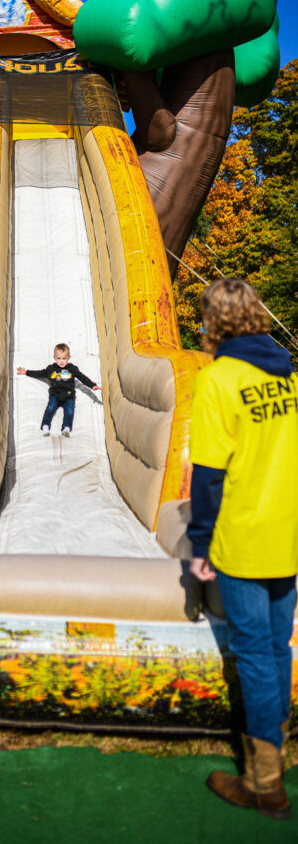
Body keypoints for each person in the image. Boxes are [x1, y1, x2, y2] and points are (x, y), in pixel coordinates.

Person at [187, 279, 298, 821]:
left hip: (245, 535)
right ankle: (278, 748)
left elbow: (207, 476)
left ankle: (264, 783)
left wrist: (200, 543)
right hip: (289, 533)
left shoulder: (218, 381)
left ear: (215, 321)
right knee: (279, 646)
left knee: (253, 652)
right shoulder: (290, 375)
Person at [17, 342, 101, 436]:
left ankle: (66, 428)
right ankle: (45, 426)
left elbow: (82, 377)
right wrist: (26, 372)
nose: (61, 361)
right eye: (59, 358)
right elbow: (40, 373)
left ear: (69, 357)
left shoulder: (72, 368)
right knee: (50, 408)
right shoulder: (51, 369)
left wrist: (92, 385)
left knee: (69, 411)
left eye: (64, 358)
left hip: (69, 396)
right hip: (55, 395)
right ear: (54, 357)